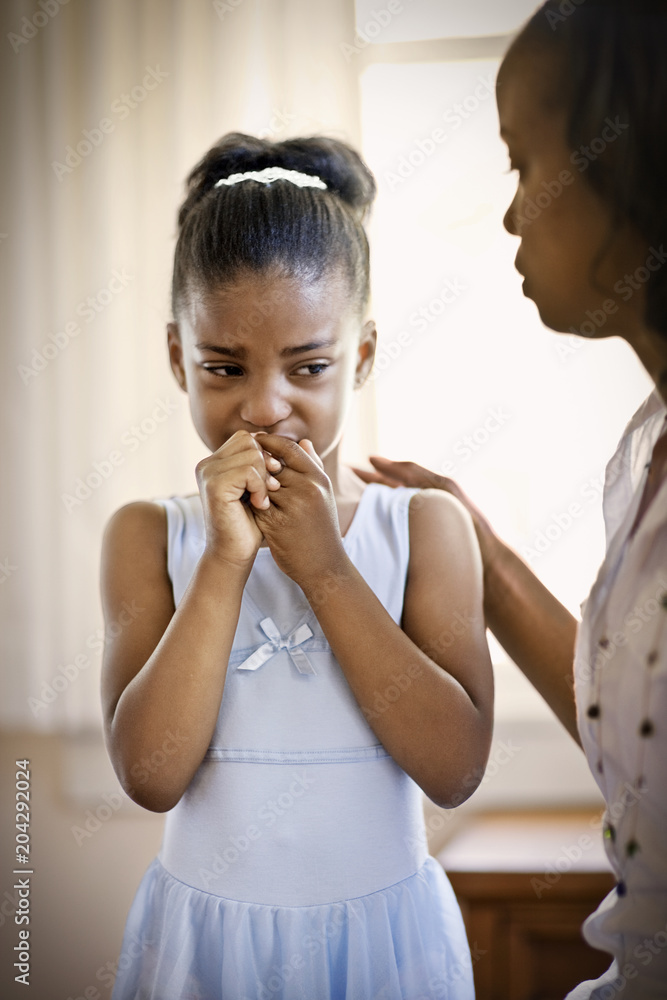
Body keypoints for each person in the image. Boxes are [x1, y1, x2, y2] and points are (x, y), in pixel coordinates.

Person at [100, 132, 494, 999]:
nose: (266, 404)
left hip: (385, 948)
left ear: (360, 356)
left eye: (309, 366)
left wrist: (325, 570)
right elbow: (152, 776)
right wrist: (221, 566)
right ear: (178, 358)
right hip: (207, 950)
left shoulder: (425, 528)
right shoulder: (143, 536)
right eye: (223, 366)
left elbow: (456, 769)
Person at [356, 2, 667, 997]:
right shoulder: (642, 455)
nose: (510, 211)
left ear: (626, 157)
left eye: (521, 163)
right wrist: (478, 551)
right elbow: (635, 738)